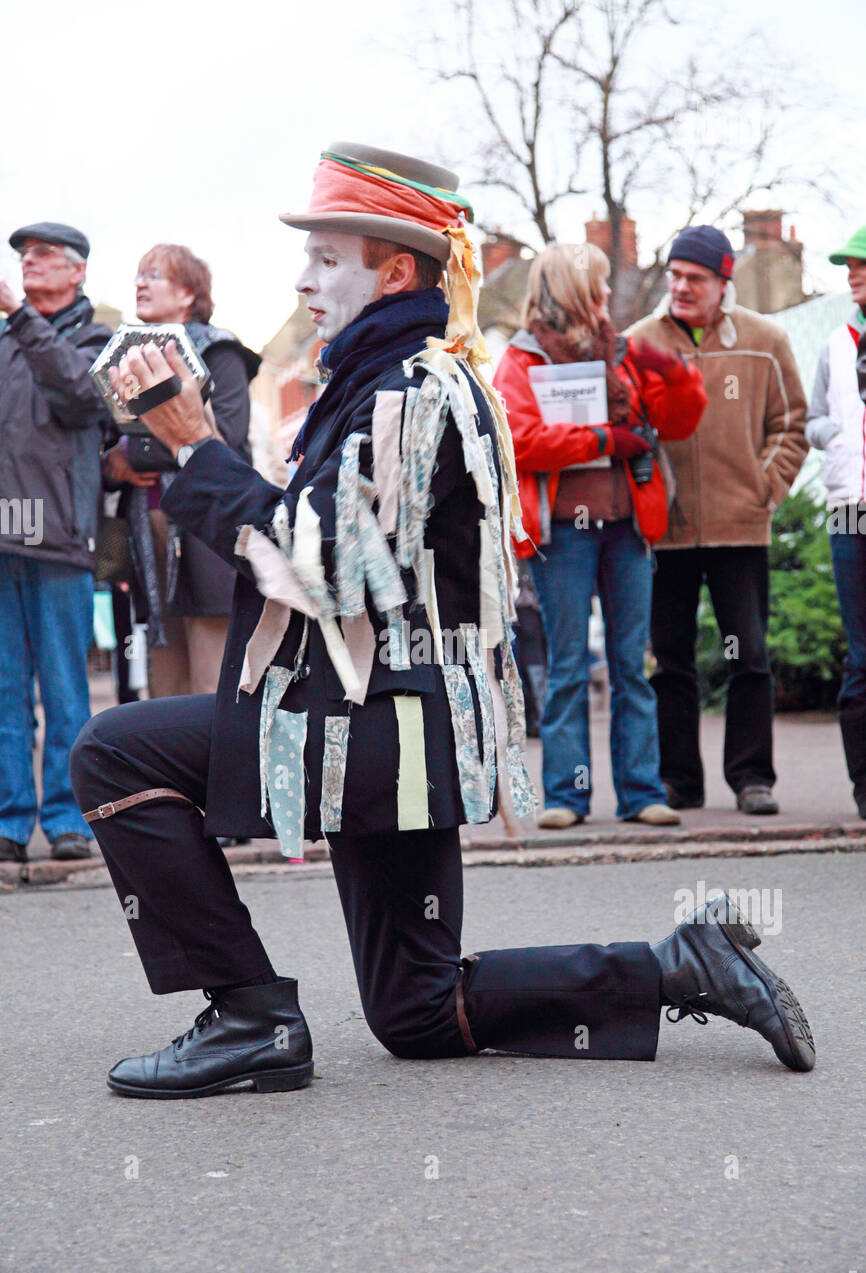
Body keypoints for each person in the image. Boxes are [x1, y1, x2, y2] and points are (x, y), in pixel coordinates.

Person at [70, 144, 814, 1098]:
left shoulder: (414, 391)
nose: (303, 278)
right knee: (419, 1012)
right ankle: (682, 965)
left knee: (113, 752)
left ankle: (250, 1015)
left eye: (328, 257)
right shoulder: (383, 381)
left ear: (396, 271)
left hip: (370, 722)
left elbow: (321, 565)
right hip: (392, 719)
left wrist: (194, 446)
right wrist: (196, 452)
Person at [494, 243, 707, 828]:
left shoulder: (625, 353)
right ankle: (567, 797)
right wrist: (604, 442)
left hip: (628, 529)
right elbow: (518, 439)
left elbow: (678, 420)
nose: (610, 295)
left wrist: (678, 374)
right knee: (567, 667)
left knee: (631, 665)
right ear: (572, 290)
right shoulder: (522, 358)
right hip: (563, 534)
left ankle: (642, 794)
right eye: (600, 285)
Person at [628, 227, 808, 815]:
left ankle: (753, 778)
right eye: (675, 275)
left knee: (747, 656)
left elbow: (791, 426)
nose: (680, 286)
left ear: (722, 283)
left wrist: (765, 490)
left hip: (739, 527)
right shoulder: (638, 343)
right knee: (671, 659)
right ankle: (681, 782)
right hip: (666, 533)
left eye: (695, 278)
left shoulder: (765, 340)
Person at [0, 222, 112, 864]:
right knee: (6, 692)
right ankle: (10, 825)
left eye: (44, 255)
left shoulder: (94, 339)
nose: (28, 263)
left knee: (67, 689)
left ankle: (70, 820)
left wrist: (18, 314)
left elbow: (78, 396)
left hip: (60, 535)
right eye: (23, 256)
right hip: (7, 531)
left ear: (78, 272)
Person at [102, 244, 260, 698]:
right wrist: (115, 462)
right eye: (138, 275)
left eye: (154, 275)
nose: (140, 284)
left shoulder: (221, 351)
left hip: (204, 537)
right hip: (146, 537)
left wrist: (134, 449)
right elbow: (108, 445)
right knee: (163, 688)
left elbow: (225, 440)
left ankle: (219, 772)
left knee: (212, 686)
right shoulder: (122, 357)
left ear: (189, 293)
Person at [806, 227, 866, 816]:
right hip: (851, 511)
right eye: (848, 266)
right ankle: (864, 789)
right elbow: (812, 421)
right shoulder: (836, 344)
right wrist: (839, 432)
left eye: (861, 265)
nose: (852, 274)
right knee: (861, 656)